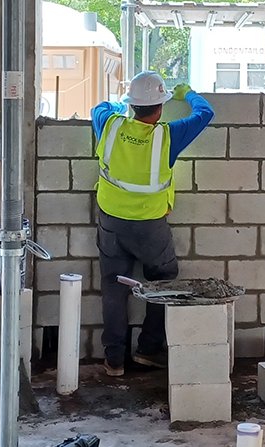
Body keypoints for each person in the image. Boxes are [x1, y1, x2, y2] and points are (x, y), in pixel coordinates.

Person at [90, 71, 214, 376]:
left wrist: (117, 107)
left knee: (113, 285)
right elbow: (205, 112)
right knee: (163, 280)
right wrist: (188, 93)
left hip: (112, 221)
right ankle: (148, 349)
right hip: (149, 225)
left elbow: (98, 108)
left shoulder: (110, 124)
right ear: (160, 107)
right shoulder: (168, 136)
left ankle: (114, 360)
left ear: (132, 105)